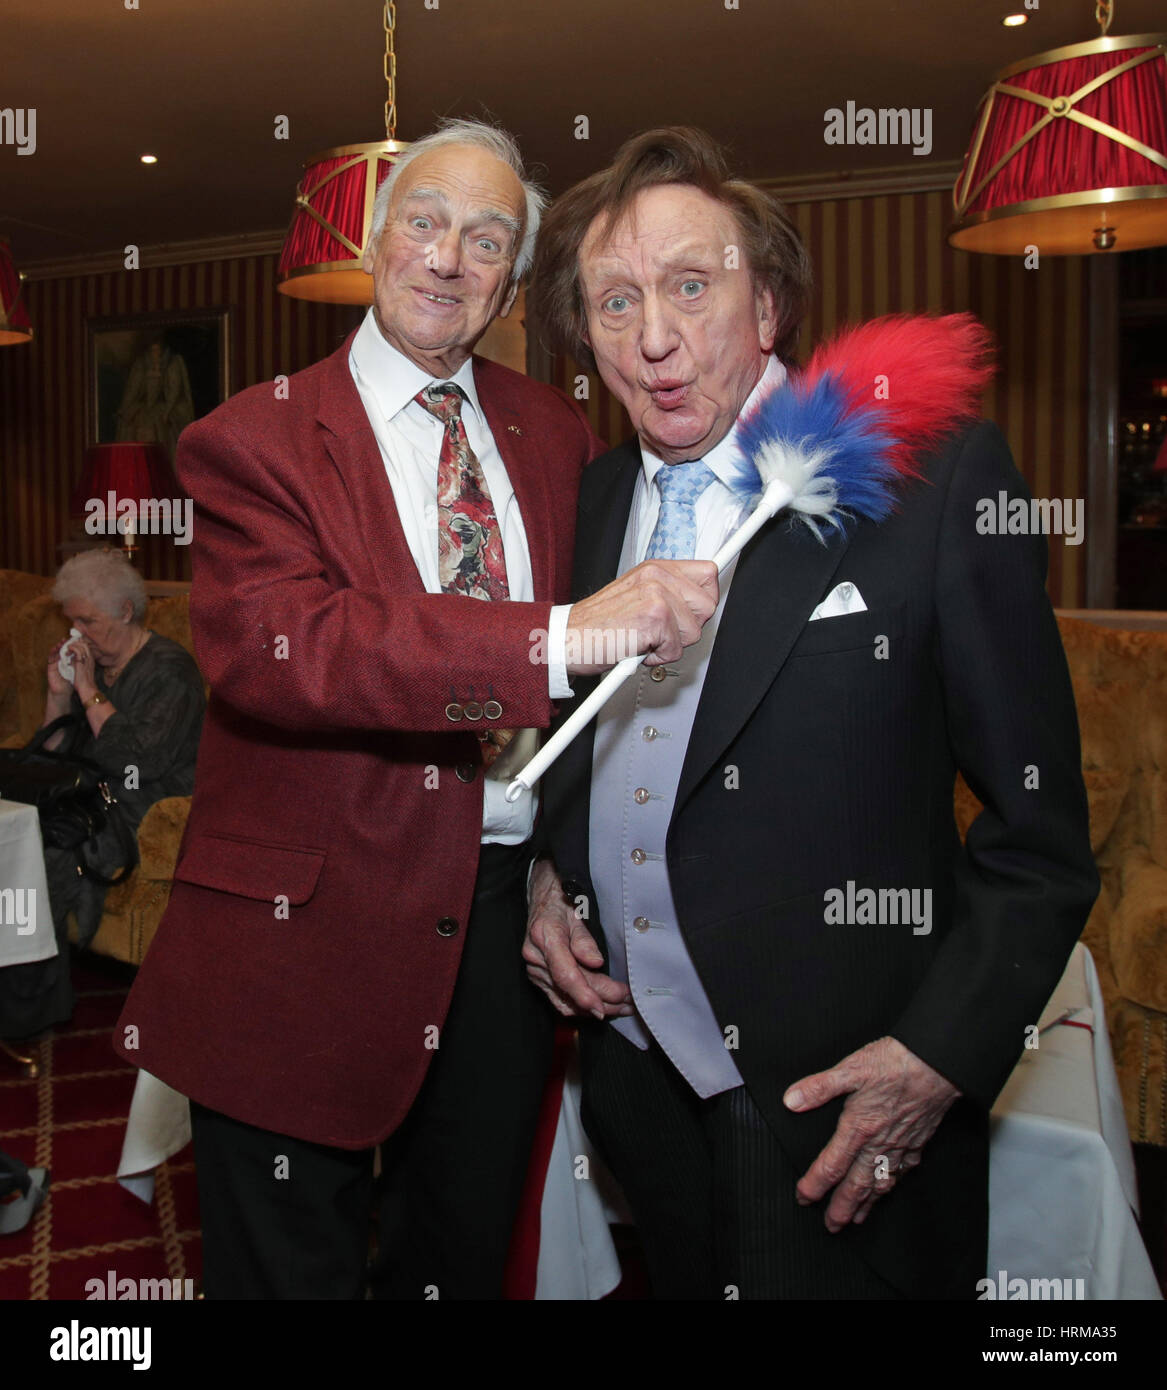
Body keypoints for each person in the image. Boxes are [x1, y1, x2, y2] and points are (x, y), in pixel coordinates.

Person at [114, 118, 719, 1300]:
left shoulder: (554, 433)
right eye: (428, 222)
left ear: (508, 283)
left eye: (487, 240)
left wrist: (553, 864)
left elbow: (588, 713)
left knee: (460, 1255)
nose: (449, 257)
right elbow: (298, 654)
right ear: (377, 236)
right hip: (302, 930)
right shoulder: (252, 437)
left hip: (496, 937)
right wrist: (567, 631)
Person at [523, 127, 1100, 1300]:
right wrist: (547, 873)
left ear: (770, 304)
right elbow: (580, 737)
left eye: (693, 283)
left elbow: (1040, 842)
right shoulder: (591, 497)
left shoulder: (933, 482)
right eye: (615, 300)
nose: (657, 336)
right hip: (639, 1083)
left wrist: (936, 1060)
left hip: (843, 1111)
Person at [0, 549, 204, 1038]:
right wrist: (57, 694)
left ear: (126, 612)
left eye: (87, 621)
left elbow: (139, 762)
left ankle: (28, 1007)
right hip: (89, 796)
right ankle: (15, 976)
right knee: (19, 832)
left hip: (140, 804)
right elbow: (52, 760)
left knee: (43, 852)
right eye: (72, 622)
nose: (78, 634)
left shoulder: (169, 670)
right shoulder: (94, 669)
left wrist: (90, 692)